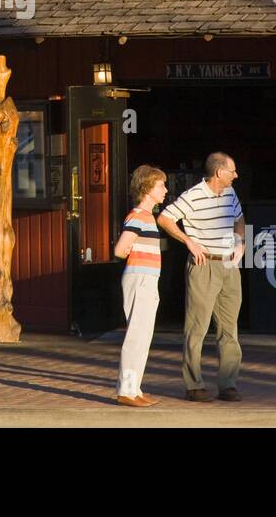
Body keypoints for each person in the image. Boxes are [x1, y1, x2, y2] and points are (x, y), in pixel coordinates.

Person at [158, 151, 246, 403]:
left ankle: (228, 384)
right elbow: (164, 218)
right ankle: (194, 385)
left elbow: (239, 217)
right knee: (197, 327)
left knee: (229, 329)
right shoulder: (193, 196)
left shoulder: (230, 193)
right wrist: (189, 242)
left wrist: (240, 241)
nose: (236, 176)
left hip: (229, 265)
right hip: (204, 265)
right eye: (232, 171)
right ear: (219, 172)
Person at [113, 165, 166, 408]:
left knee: (143, 336)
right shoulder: (138, 216)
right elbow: (120, 249)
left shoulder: (147, 217)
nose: (164, 190)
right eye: (160, 186)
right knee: (136, 335)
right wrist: (134, 253)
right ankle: (126, 390)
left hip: (147, 278)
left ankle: (135, 388)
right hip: (140, 278)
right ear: (147, 188)